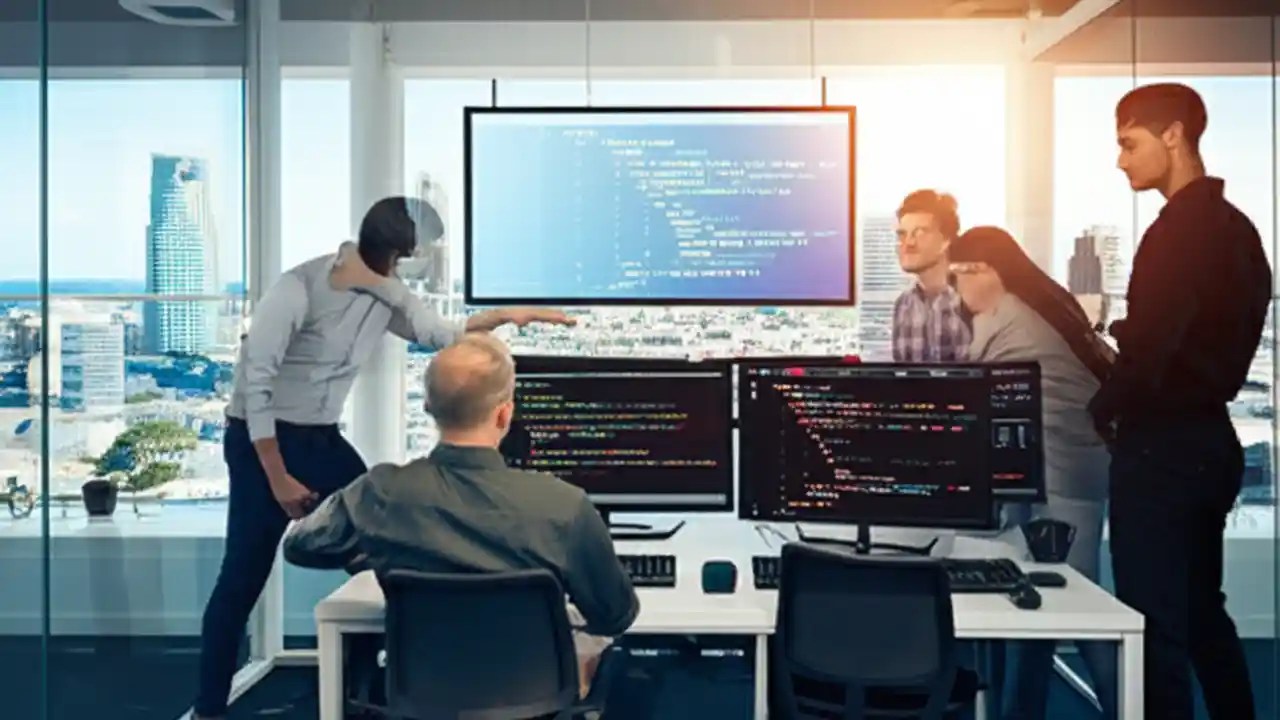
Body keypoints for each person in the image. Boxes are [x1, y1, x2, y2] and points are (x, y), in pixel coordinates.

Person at [192, 197, 577, 720]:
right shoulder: (297, 289)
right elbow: (254, 387)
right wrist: (278, 477)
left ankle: (384, 683)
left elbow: (439, 333)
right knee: (243, 576)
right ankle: (210, 709)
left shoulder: (383, 294)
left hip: (321, 438)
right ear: (403, 251)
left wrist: (506, 317)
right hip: (263, 442)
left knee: (390, 548)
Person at [282, 332, 640, 699]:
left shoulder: (380, 492)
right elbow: (614, 616)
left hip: (421, 697)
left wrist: (371, 550)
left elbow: (300, 545)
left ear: (428, 406)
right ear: (505, 413)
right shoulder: (565, 506)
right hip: (536, 698)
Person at [1089, 83, 1269, 720]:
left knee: (1153, 625)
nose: (1120, 161)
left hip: (1160, 450)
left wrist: (1104, 403)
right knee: (1200, 612)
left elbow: (1155, 347)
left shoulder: (1174, 233)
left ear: (1173, 136)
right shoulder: (1241, 231)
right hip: (1211, 446)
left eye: (1128, 143)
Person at [948, 226, 1117, 720]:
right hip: (1059, 460)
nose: (958, 290)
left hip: (1065, 469)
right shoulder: (1040, 304)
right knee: (1032, 593)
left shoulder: (1005, 319)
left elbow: (969, 395)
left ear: (988, 273)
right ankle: (1023, 711)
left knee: (1080, 602)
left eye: (962, 277)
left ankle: (1126, 705)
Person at [891, 189, 972, 363]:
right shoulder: (903, 306)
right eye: (902, 235)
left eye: (920, 232)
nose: (908, 243)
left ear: (945, 240)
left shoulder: (971, 300)